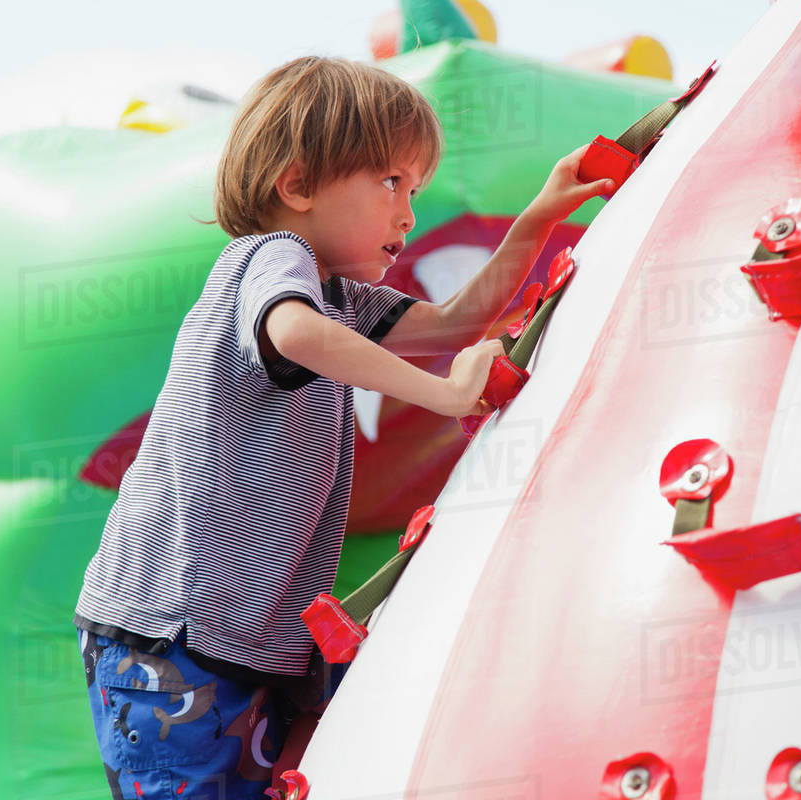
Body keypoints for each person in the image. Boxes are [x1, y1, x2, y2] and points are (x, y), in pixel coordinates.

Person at [72, 55, 614, 800]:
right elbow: (293, 335)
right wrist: (445, 397)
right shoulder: (268, 260)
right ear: (296, 185)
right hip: (171, 632)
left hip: (245, 635)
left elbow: (457, 321)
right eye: (391, 183)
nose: (409, 214)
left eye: (416, 190)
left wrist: (540, 217)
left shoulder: (339, 297)